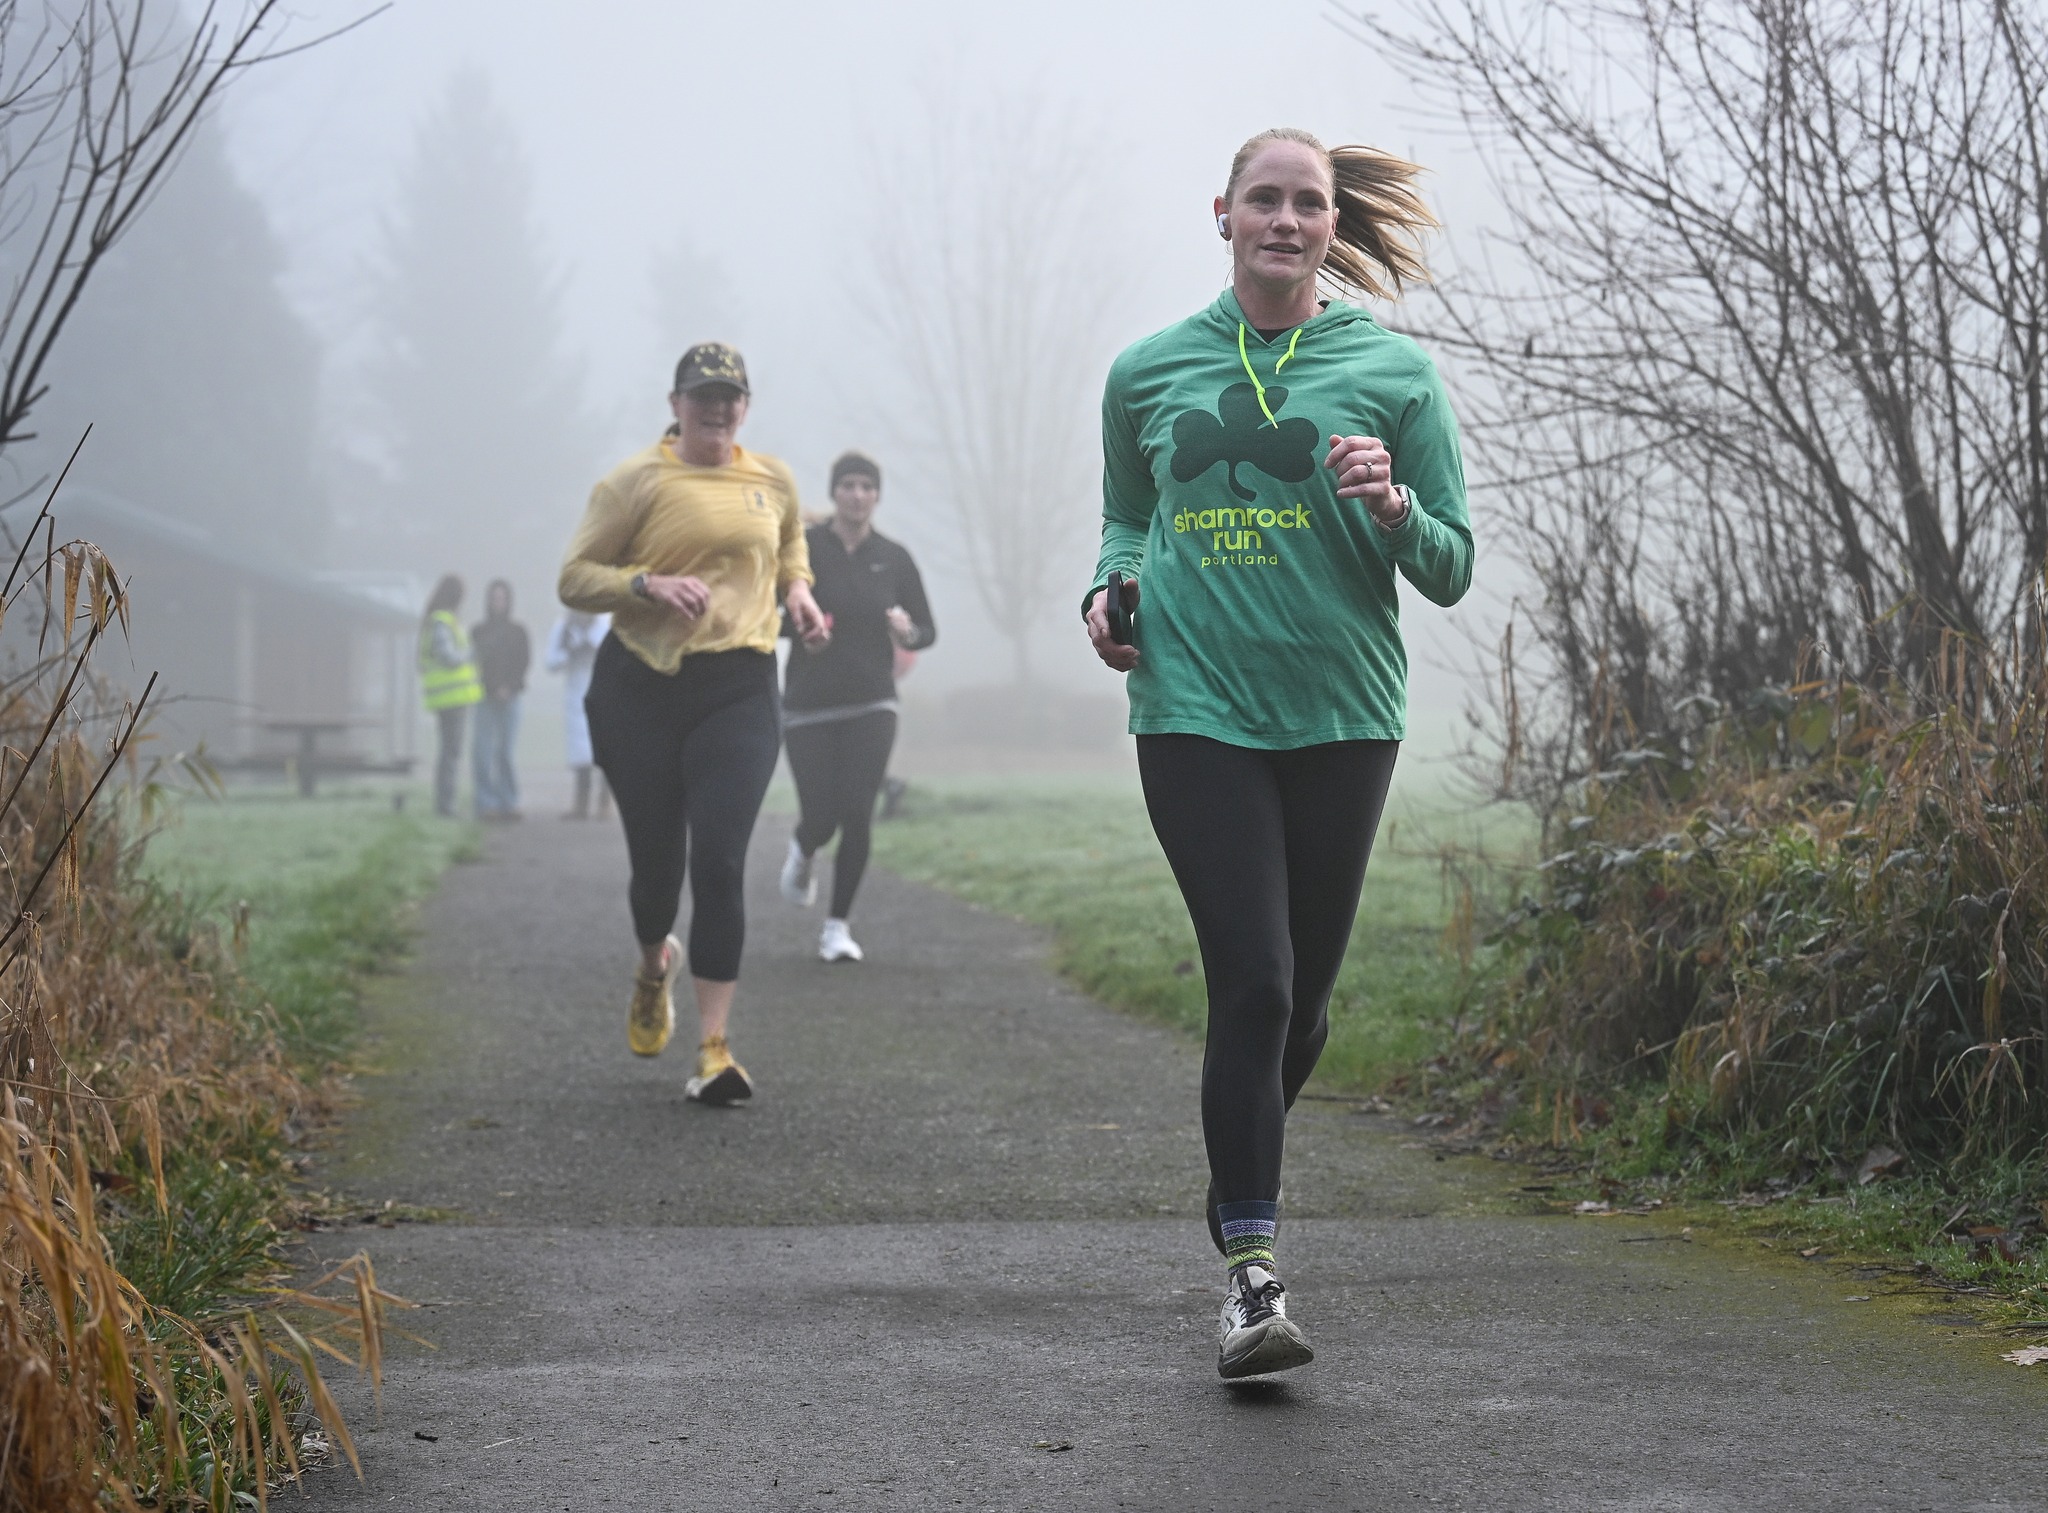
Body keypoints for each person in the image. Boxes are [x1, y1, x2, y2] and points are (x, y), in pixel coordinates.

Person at [1084, 128, 1472, 1379]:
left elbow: (1452, 567)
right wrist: (1109, 589)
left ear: (1329, 224)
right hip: (1192, 710)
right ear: (1222, 214)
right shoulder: (1146, 371)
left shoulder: (1392, 374)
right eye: (1266, 199)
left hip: (1343, 715)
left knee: (1298, 1006)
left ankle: (1233, 1163)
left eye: (1307, 203)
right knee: (1250, 979)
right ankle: (1251, 1278)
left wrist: (1396, 506)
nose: (1286, 220)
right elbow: (1125, 514)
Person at [559, 342, 829, 1104]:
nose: (717, 407)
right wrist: (646, 582)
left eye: (730, 395)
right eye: (702, 394)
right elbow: (574, 578)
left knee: (717, 861)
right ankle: (654, 968)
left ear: (745, 404)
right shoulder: (633, 482)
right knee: (657, 871)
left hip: (739, 686)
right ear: (675, 402)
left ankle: (714, 1048)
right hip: (639, 691)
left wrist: (800, 593)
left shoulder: (770, 478)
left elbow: (788, 545)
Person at [777, 450, 935, 962]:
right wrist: (802, 627)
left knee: (858, 812)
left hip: (873, 702)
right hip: (809, 703)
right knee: (821, 816)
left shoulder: (894, 555)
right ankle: (804, 849)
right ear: (833, 492)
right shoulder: (804, 549)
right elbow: (766, 615)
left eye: (867, 486)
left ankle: (837, 927)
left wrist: (906, 631)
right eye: (848, 485)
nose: (858, 495)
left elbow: (926, 629)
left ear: (877, 496)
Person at [418, 574, 482, 818]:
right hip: (451, 698)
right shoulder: (443, 621)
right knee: (451, 754)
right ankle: (446, 806)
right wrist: (472, 653)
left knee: (448, 753)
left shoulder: (437, 620)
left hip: (448, 698)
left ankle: (445, 804)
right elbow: (448, 656)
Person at [545, 608, 613, 819]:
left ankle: (604, 803)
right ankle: (581, 803)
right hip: (576, 694)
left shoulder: (606, 624)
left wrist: (595, 649)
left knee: (606, 749)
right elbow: (551, 662)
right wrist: (570, 653)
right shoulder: (563, 627)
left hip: (604, 691)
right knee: (581, 752)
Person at [471, 579, 530, 821]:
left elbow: (523, 663)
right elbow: (475, 664)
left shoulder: (518, 632)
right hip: (485, 697)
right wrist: (492, 687)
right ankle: (486, 803)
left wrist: (510, 687)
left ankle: (509, 800)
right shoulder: (478, 631)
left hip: (511, 697)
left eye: (502, 598)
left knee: (505, 752)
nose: (498, 603)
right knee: (482, 752)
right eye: (494, 598)